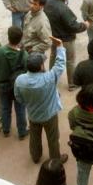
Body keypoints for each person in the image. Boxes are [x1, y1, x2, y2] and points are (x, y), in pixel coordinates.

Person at [15, 36, 69, 164]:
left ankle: (35, 156)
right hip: (49, 115)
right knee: (53, 138)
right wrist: (60, 46)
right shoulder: (49, 78)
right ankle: (55, 159)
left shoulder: (20, 80)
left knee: (34, 137)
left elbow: (18, 98)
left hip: (33, 114)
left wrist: (29, 104)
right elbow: (60, 64)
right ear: (40, 66)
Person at [44, 0, 88, 90]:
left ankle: (51, 80)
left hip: (54, 37)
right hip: (66, 39)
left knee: (53, 57)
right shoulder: (63, 8)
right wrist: (84, 25)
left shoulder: (48, 2)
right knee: (70, 60)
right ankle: (72, 84)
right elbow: (73, 26)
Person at [0, 26, 28, 139]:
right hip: (18, 87)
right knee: (20, 109)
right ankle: (22, 132)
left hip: (2, 86)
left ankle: (6, 130)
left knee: (5, 108)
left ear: (8, 36)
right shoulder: (24, 55)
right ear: (20, 39)